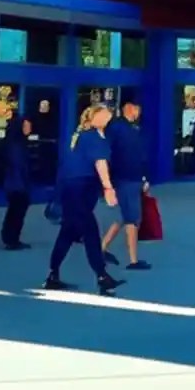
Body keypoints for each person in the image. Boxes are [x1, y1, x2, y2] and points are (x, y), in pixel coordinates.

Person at [45, 104, 122, 294]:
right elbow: (100, 162)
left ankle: (53, 275)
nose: (108, 119)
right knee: (90, 232)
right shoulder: (93, 137)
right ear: (94, 117)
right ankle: (102, 276)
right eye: (104, 116)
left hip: (71, 189)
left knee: (68, 233)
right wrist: (108, 187)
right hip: (81, 189)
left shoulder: (77, 136)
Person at [102, 97, 152, 270]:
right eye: (137, 108)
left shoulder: (132, 129)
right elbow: (109, 154)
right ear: (128, 108)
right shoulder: (118, 128)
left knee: (124, 217)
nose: (139, 112)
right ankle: (133, 260)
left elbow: (139, 156)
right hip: (125, 178)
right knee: (132, 218)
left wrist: (144, 177)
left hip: (131, 178)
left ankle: (102, 248)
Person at [0, 108, 33, 250]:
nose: (29, 128)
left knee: (15, 210)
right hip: (17, 184)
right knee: (17, 210)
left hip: (15, 183)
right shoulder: (17, 145)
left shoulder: (16, 142)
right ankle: (11, 238)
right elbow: (18, 166)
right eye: (26, 125)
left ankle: (10, 237)